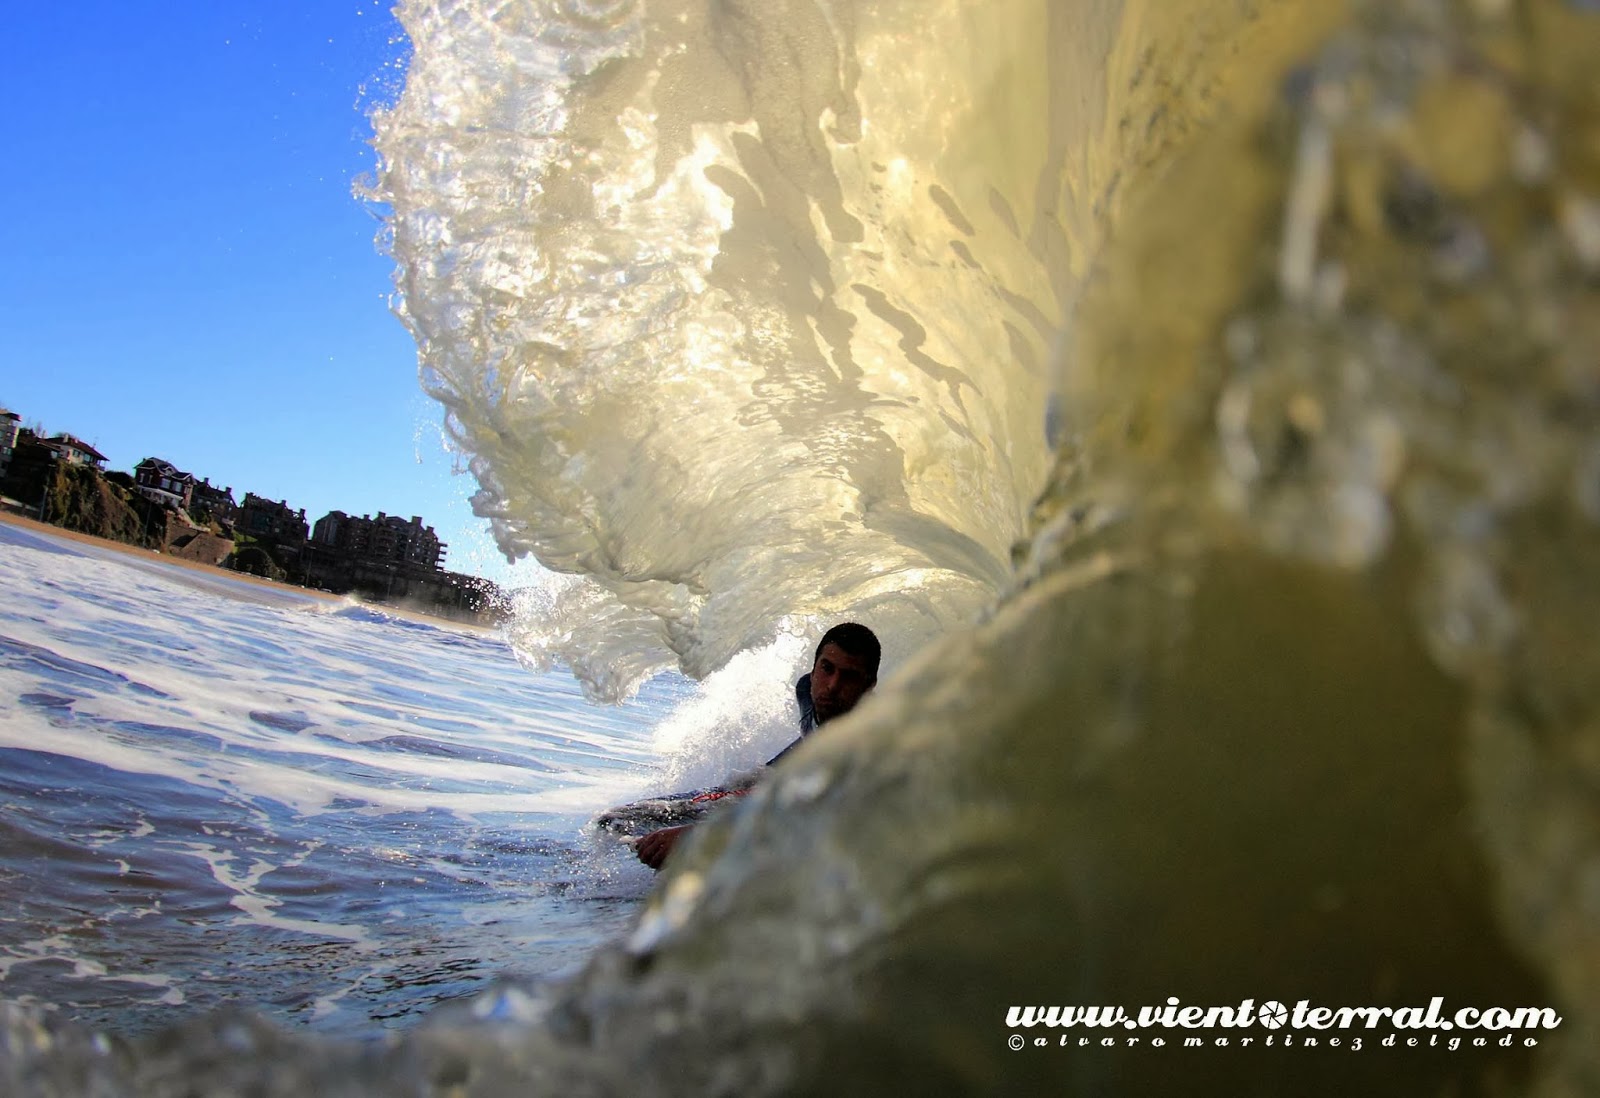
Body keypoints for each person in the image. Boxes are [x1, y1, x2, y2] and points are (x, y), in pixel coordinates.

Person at [633, 623, 880, 870]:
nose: (833, 685)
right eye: (827, 669)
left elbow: (809, 821)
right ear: (814, 669)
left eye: (849, 676)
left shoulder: (867, 749)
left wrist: (697, 838)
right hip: (786, 770)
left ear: (869, 687)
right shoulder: (807, 689)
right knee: (631, 818)